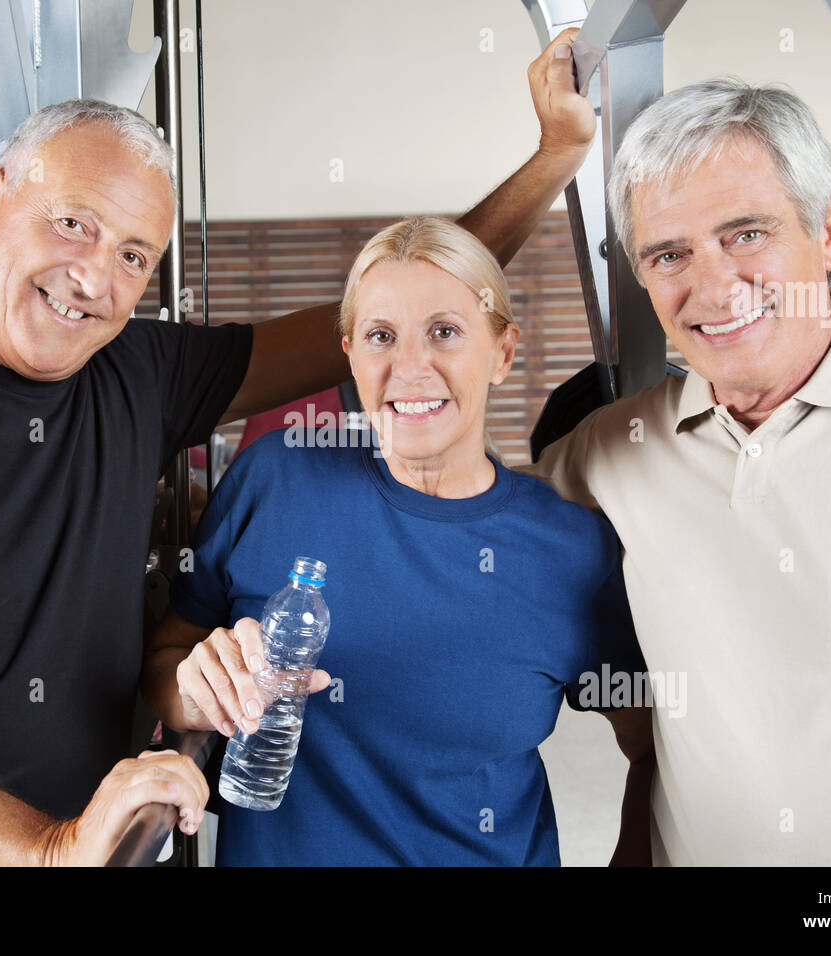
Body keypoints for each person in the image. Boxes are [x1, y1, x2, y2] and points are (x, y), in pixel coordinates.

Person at [0, 30, 602, 866]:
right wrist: (46, 852)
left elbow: (408, 301)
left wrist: (555, 158)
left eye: (132, 255)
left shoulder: (140, 368)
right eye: (72, 223)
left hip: (95, 841)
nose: (94, 276)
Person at [522, 78, 831, 865]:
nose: (711, 286)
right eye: (669, 254)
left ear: (828, 228)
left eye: (745, 234)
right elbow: (451, 547)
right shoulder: (609, 451)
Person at [142, 216, 655, 866]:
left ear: (502, 351)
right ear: (350, 353)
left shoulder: (569, 548)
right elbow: (164, 664)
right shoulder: (274, 478)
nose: (410, 367)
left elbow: (650, 746)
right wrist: (194, 688)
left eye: (444, 331)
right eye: (382, 336)